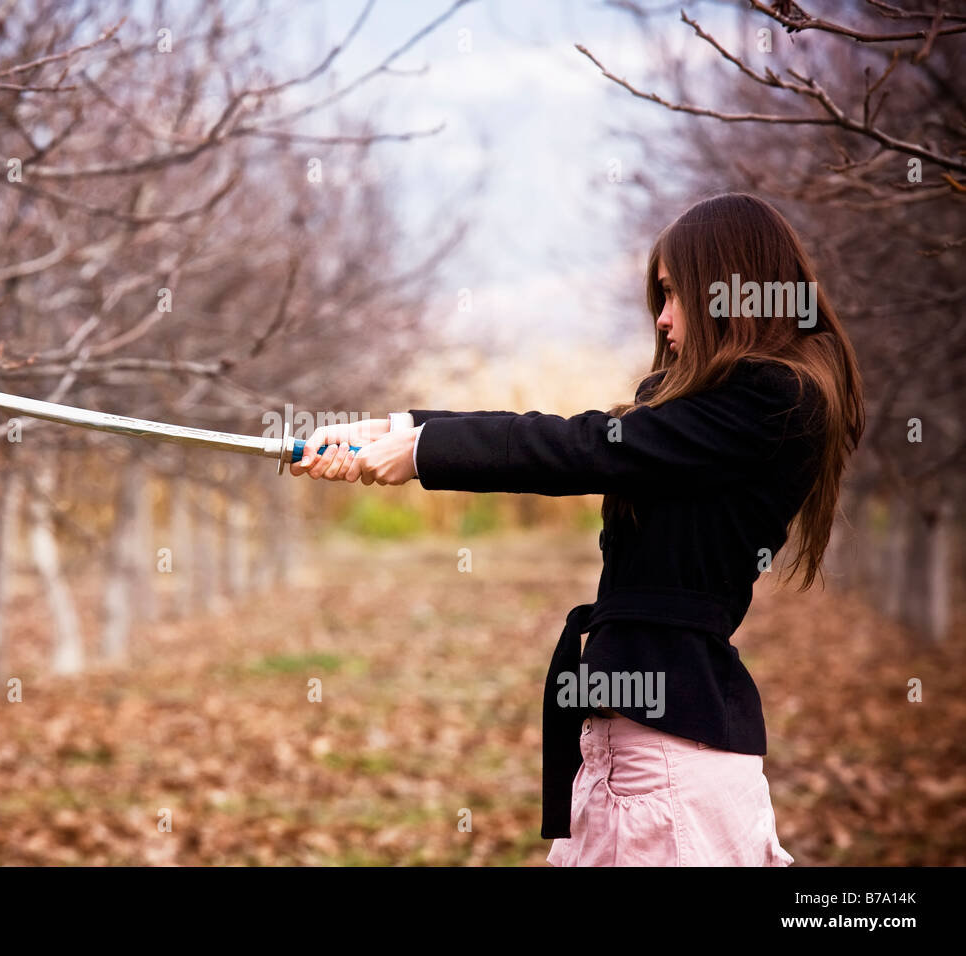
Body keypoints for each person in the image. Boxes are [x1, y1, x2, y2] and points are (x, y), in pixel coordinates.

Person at [289, 192, 864, 866]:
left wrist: (422, 453)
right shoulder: (726, 413)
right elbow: (591, 436)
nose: (663, 318)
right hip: (646, 753)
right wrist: (395, 431)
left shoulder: (776, 400)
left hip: (663, 765)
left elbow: (582, 446)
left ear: (731, 293)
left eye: (676, 294)